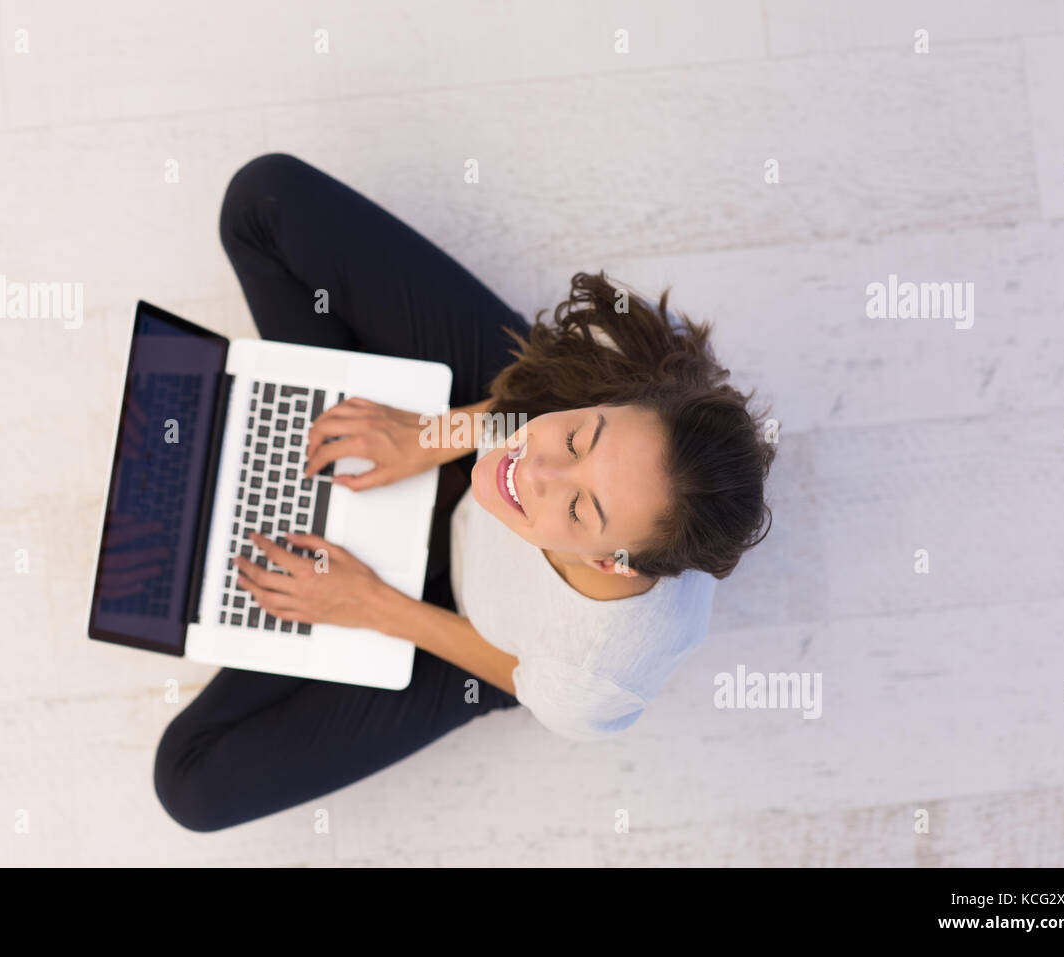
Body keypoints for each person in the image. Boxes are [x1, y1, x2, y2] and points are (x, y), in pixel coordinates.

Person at [153, 153, 775, 831]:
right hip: (503, 402)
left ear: (610, 561)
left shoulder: (599, 674)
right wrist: (431, 433)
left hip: (474, 623)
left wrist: (370, 602)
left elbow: (516, 673)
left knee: (192, 780)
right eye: (577, 442)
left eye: (579, 507)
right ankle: (345, 441)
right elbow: (542, 405)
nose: (533, 470)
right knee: (262, 203)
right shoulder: (630, 371)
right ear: (626, 400)